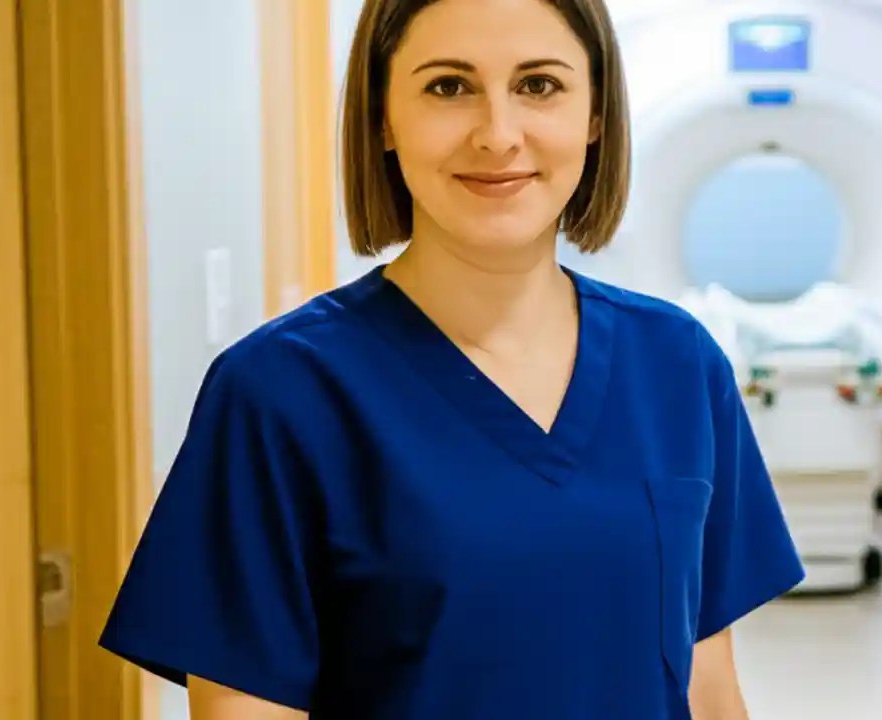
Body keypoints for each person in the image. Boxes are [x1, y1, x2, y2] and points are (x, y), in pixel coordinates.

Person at [98, 0, 805, 717]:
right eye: (447, 87)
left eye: (538, 86)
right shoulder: (280, 392)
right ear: (382, 117)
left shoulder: (678, 364)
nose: (498, 136)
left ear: (596, 115)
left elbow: (708, 685)